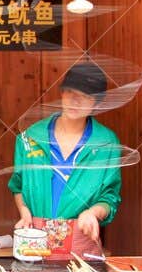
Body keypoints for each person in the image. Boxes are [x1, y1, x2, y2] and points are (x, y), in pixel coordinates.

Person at [8, 59, 123, 259]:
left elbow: (110, 198)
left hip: (81, 247)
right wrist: (24, 212)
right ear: (61, 92)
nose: (74, 101)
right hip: (34, 242)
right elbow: (17, 186)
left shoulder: (106, 143)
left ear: (98, 103)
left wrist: (93, 213)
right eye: (70, 92)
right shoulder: (30, 137)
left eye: (85, 96)